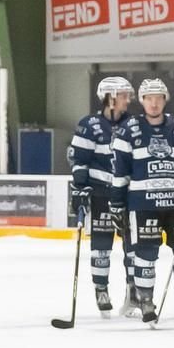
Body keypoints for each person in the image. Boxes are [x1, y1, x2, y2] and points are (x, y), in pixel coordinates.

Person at [108, 77, 174, 335]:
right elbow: (120, 174)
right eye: (149, 98)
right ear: (141, 100)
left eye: (158, 98)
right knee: (145, 255)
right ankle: (145, 301)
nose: (154, 103)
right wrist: (116, 204)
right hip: (142, 207)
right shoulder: (128, 130)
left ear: (165, 99)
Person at [68, 75, 133, 318]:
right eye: (124, 95)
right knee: (101, 245)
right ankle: (101, 289)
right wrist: (79, 187)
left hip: (127, 196)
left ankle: (134, 292)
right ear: (111, 97)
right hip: (100, 194)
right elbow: (79, 160)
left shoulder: (134, 124)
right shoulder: (89, 125)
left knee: (133, 247)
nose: (128, 100)